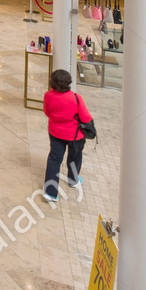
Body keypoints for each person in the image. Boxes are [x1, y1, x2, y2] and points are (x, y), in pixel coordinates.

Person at [42, 70, 91, 202]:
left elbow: (47, 112)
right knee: (75, 157)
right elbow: (85, 117)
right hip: (75, 135)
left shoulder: (48, 96)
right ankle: (73, 180)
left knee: (54, 160)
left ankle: (50, 193)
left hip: (55, 132)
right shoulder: (75, 98)